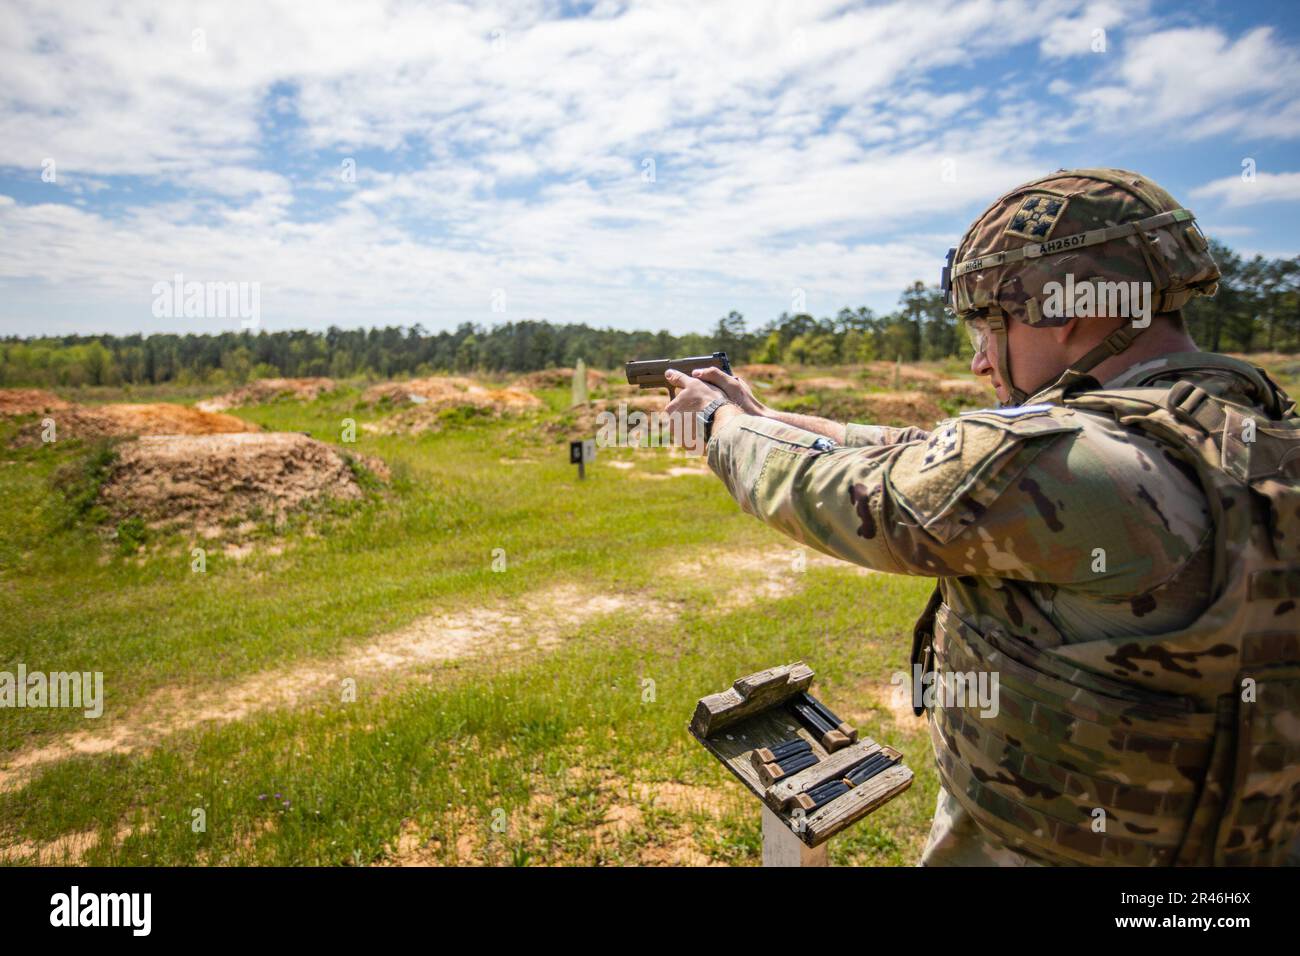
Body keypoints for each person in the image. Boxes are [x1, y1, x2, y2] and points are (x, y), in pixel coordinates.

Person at [666, 168, 1300, 866]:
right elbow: (917, 452)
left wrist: (720, 427)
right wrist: (764, 416)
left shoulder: (1079, 463)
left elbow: (842, 490)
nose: (976, 361)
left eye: (986, 324)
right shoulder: (1251, 429)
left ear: (1064, 313)